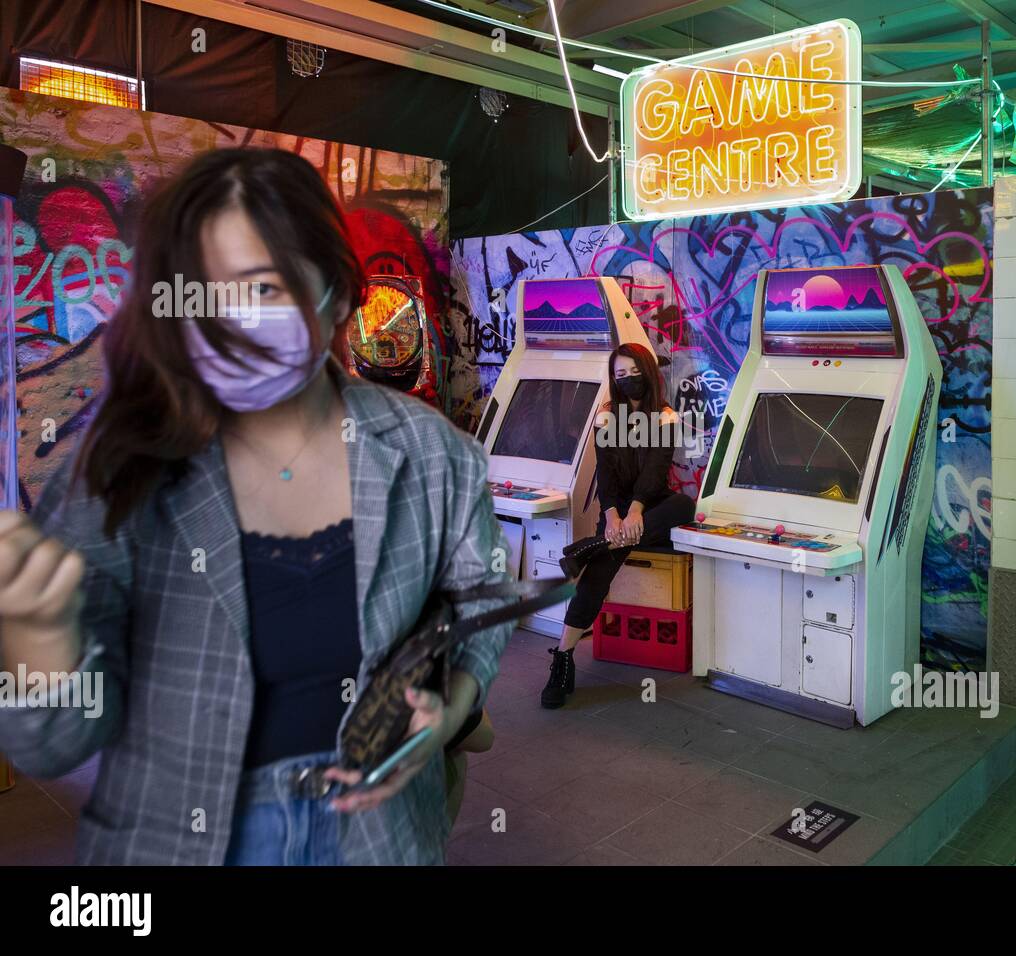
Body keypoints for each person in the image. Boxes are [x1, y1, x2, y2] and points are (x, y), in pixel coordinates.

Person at [0, 147, 512, 865]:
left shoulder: (433, 454)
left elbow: (482, 602)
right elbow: (53, 743)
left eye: (261, 289)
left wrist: (453, 707)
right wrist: (36, 643)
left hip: (377, 837)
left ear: (335, 292)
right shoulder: (119, 471)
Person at [539, 343, 695, 709]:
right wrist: (613, 515)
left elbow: (657, 472)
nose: (627, 381)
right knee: (599, 573)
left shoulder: (666, 416)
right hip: (617, 508)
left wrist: (637, 511)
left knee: (684, 504)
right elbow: (605, 474)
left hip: (651, 504)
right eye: (620, 375)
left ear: (647, 372)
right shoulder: (608, 415)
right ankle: (562, 658)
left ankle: (593, 547)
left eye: (633, 373)